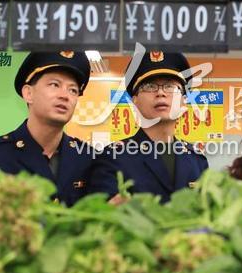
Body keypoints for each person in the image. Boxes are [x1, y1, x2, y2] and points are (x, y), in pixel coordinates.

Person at [0, 51, 94, 206]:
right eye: (54, 85)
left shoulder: (87, 158)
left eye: (73, 90)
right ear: (28, 93)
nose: (65, 95)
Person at [89, 51, 208, 203]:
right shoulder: (113, 157)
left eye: (170, 86)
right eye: (150, 86)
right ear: (134, 100)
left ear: (184, 100)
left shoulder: (197, 160)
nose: (160, 93)